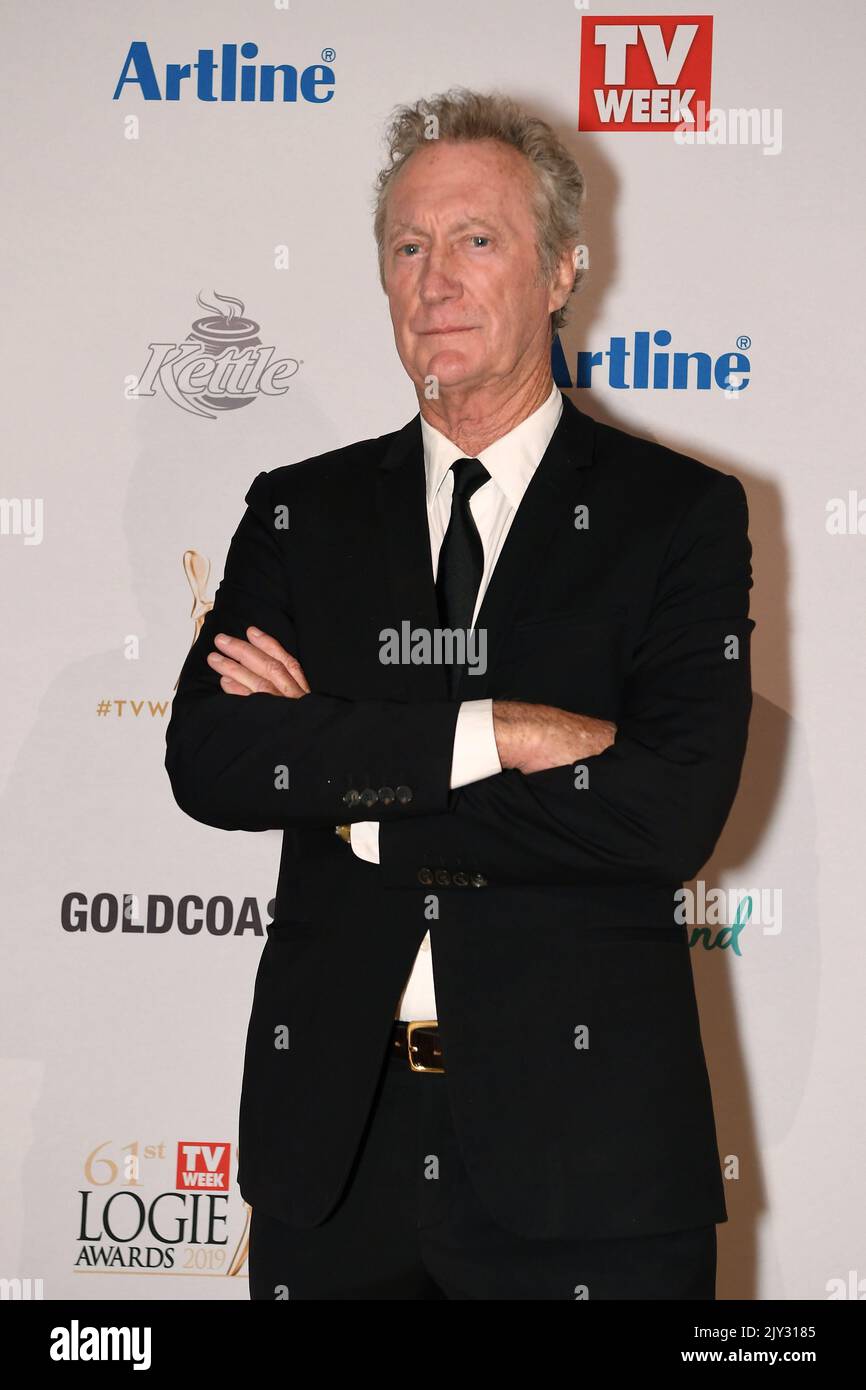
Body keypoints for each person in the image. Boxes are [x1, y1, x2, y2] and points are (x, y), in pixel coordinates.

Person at [165, 88, 755, 1299]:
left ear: (560, 272)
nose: (434, 280)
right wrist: (507, 732)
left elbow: (666, 810)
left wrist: (361, 786)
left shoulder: (675, 517)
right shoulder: (300, 511)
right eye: (407, 245)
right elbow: (215, 759)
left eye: (475, 240)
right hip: (337, 1154)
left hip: (588, 1167)